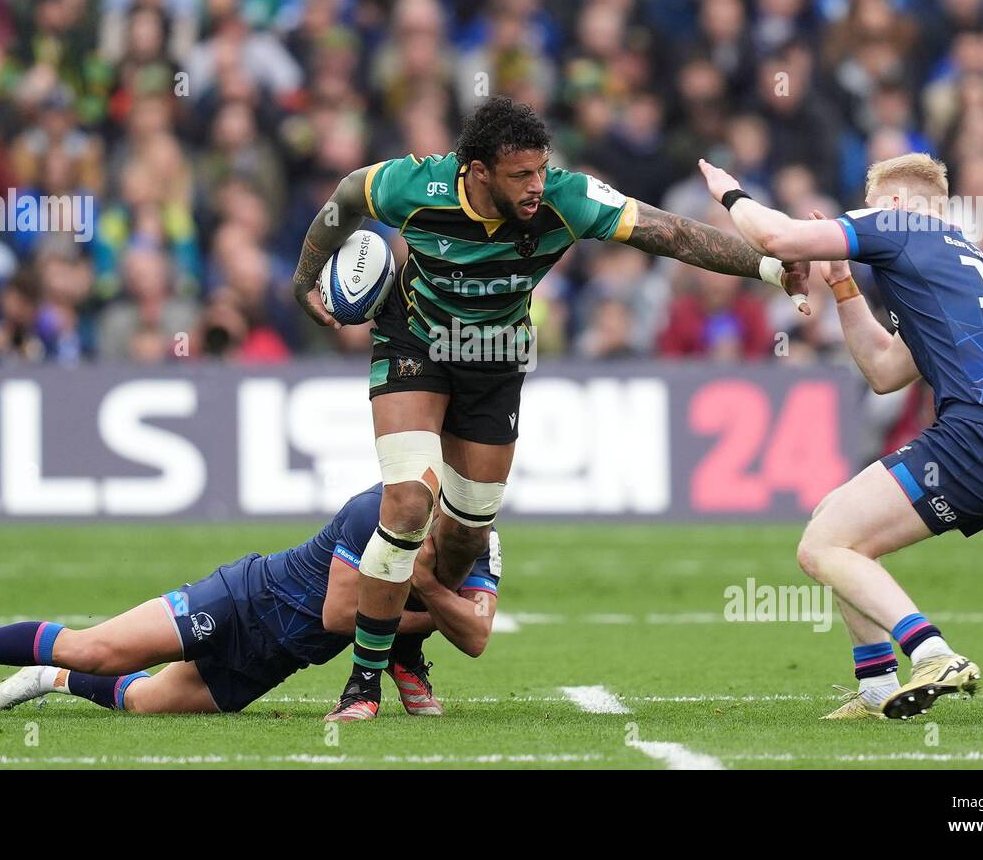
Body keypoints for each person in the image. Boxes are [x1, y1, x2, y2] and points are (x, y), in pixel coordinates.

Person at [292, 96, 810, 720]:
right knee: (407, 503)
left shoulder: (570, 199)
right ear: (477, 171)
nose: (537, 186)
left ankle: (407, 646)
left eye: (541, 170)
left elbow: (669, 232)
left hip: (495, 361)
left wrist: (772, 268)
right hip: (414, 345)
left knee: (462, 538)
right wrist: (306, 275)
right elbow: (349, 194)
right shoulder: (415, 185)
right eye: (520, 176)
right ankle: (362, 685)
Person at [697, 152, 983, 719]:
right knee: (837, 523)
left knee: (821, 546)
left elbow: (776, 234)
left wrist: (730, 193)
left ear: (894, 205)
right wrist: (843, 288)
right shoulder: (962, 264)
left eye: (868, 205)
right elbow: (885, 373)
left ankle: (933, 653)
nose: (862, 215)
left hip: (980, 435)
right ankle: (877, 684)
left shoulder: (900, 227)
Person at [0, 485, 500, 716]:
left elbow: (474, 635)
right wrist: (426, 596)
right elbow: (340, 615)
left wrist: (426, 587)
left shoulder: (484, 545)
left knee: (141, 701)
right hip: (242, 600)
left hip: (276, 660)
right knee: (100, 649)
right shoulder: (380, 511)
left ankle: (52, 679)